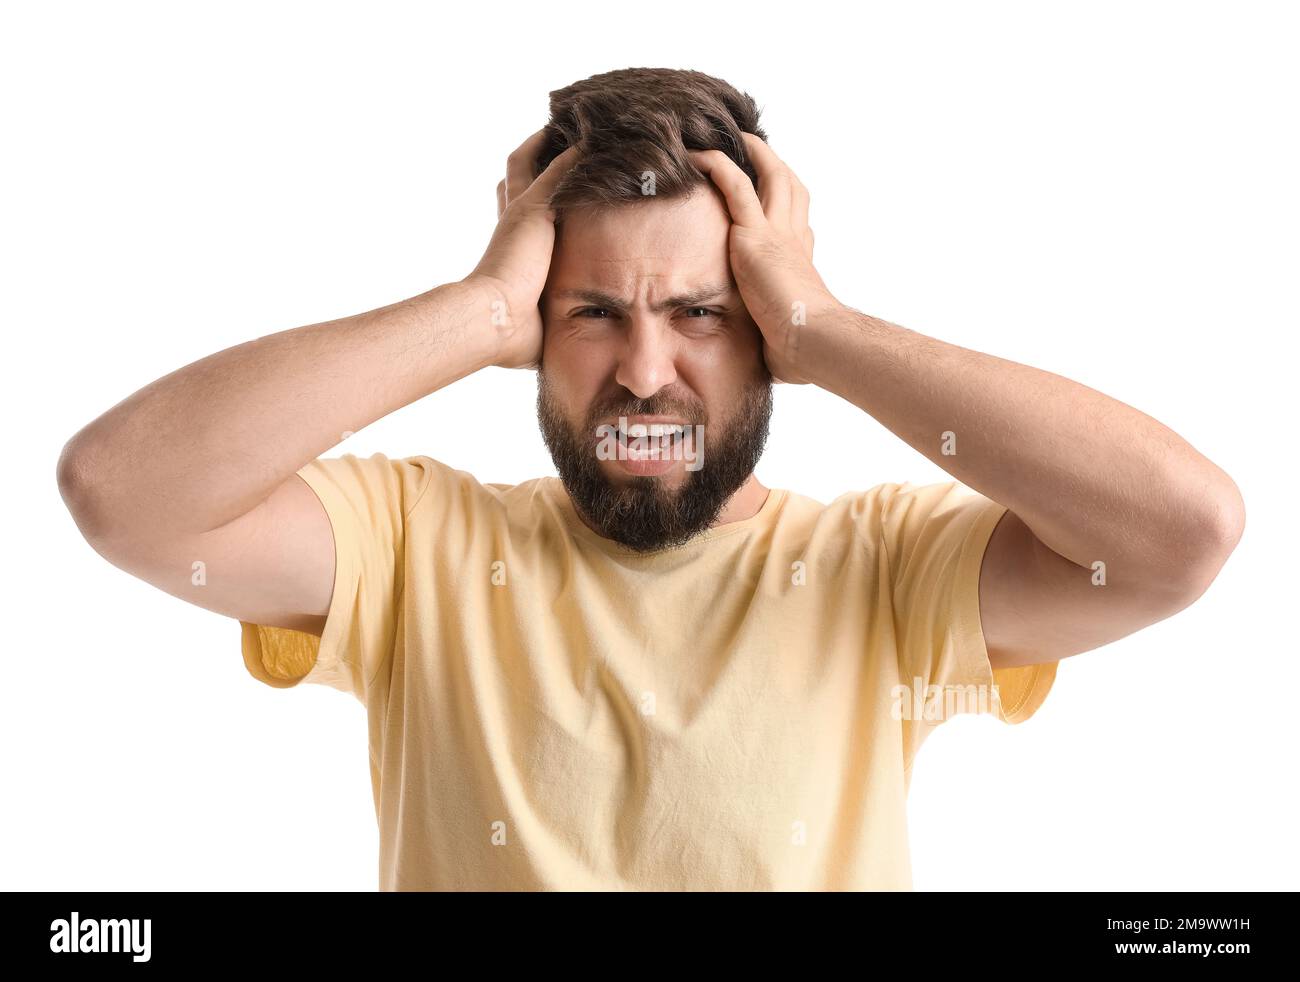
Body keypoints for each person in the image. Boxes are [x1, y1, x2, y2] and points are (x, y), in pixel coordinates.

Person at [56, 67, 1244, 890]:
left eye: (699, 313)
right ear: (532, 321)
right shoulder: (413, 546)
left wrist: (827, 326)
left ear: (764, 331)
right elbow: (123, 492)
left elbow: (1178, 534)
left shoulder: (885, 572)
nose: (643, 371)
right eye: (590, 313)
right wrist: (470, 310)